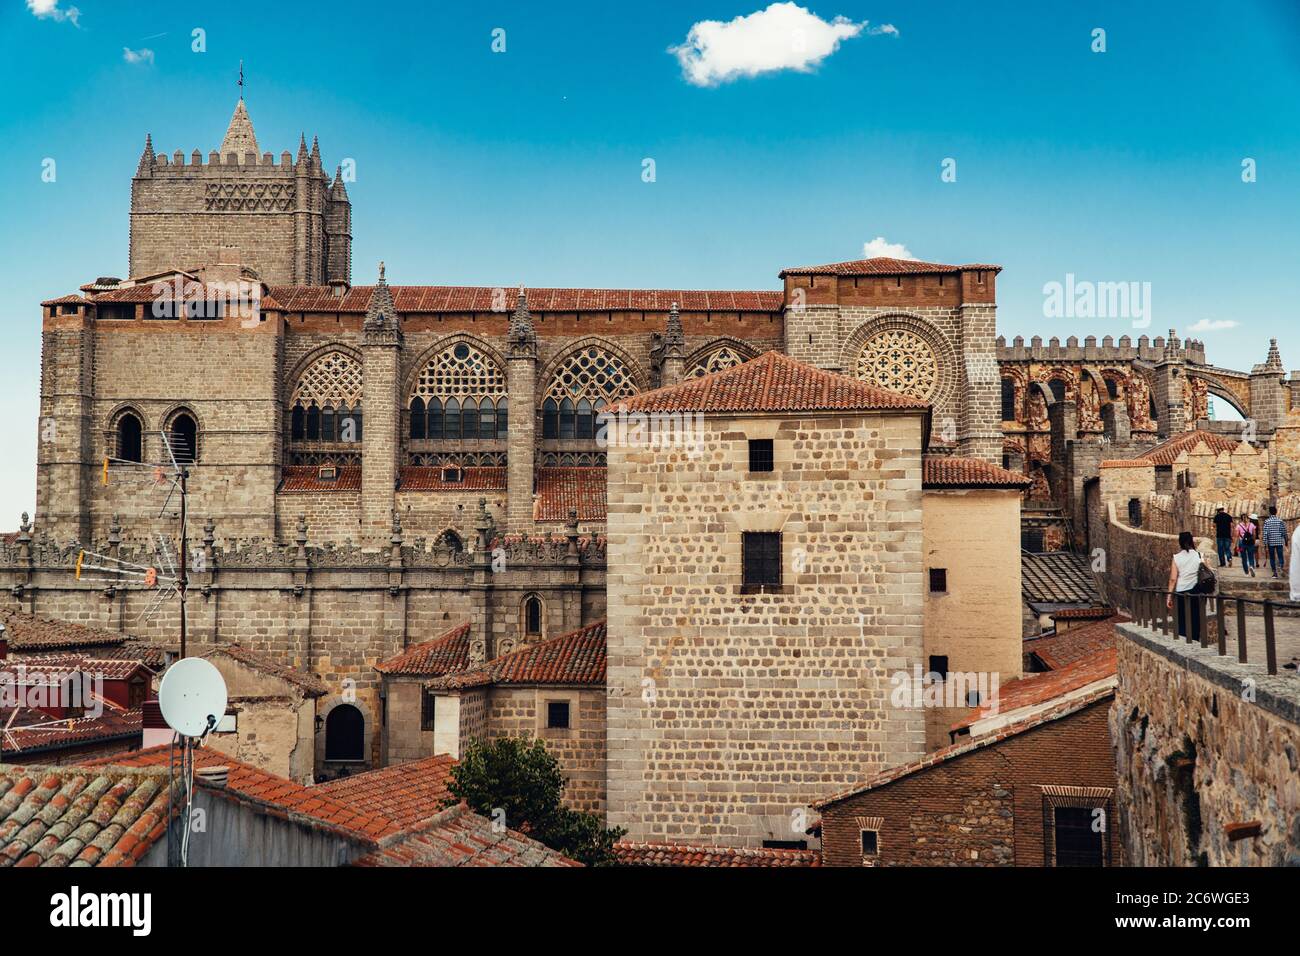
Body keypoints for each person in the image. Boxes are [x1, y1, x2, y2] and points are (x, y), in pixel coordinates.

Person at [1167, 531, 1209, 639]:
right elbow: (1206, 572)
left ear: (1180, 542)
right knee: (1196, 618)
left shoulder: (1176, 557)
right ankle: (1195, 639)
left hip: (1181, 592)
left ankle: (1183, 639)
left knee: (1181, 619)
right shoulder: (1200, 555)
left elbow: (1173, 579)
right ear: (1191, 541)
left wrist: (1169, 596)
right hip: (1197, 592)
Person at [1261, 506, 1288, 578]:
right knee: (1280, 556)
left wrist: (1265, 543)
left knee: (1272, 558)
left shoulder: (1267, 521)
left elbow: (1265, 533)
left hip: (1271, 542)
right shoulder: (1280, 521)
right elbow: (1284, 531)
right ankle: (1280, 566)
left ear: (1270, 512)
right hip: (1279, 541)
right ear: (1276, 512)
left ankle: (1274, 573)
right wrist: (1286, 540)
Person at [1235, 513, 1257, 577]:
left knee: (1243, 558)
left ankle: (1246, 572)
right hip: (1250, 542)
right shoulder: (1252, 524)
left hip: (1242, 543)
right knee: (1251, 556)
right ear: (1248, 518)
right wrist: (1253, 542)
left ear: (1241, 519)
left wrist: (1236, 545)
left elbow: (1237, 536)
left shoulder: (1238, 526)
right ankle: (1251, 566)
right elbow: (1254, 534)